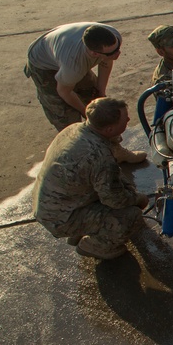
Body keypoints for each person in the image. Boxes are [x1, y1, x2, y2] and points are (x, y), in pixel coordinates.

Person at [33, 97, 149, 260]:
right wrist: (138, 199)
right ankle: (96, 246)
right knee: (131, 216)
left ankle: (84, 226)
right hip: (60, 217)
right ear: (109, 129)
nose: (129, 120)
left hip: (57, 203)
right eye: (125, 118)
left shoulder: (75, 129)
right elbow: (115, 200)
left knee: (120, 184)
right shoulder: (98, 156)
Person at [26, 22, 146, 164]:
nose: (118, 54)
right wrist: (87, 113)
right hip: (43, 65)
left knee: (102, 108)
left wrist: (100, 91)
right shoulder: (74, 65)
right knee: (68, 121)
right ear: (93, 53)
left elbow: (105, 61)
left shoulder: (112, 36)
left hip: (64, 49)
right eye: (112, 53)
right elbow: (64, 92)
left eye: (117, 49)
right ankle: (86, 164)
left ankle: (116, 151)